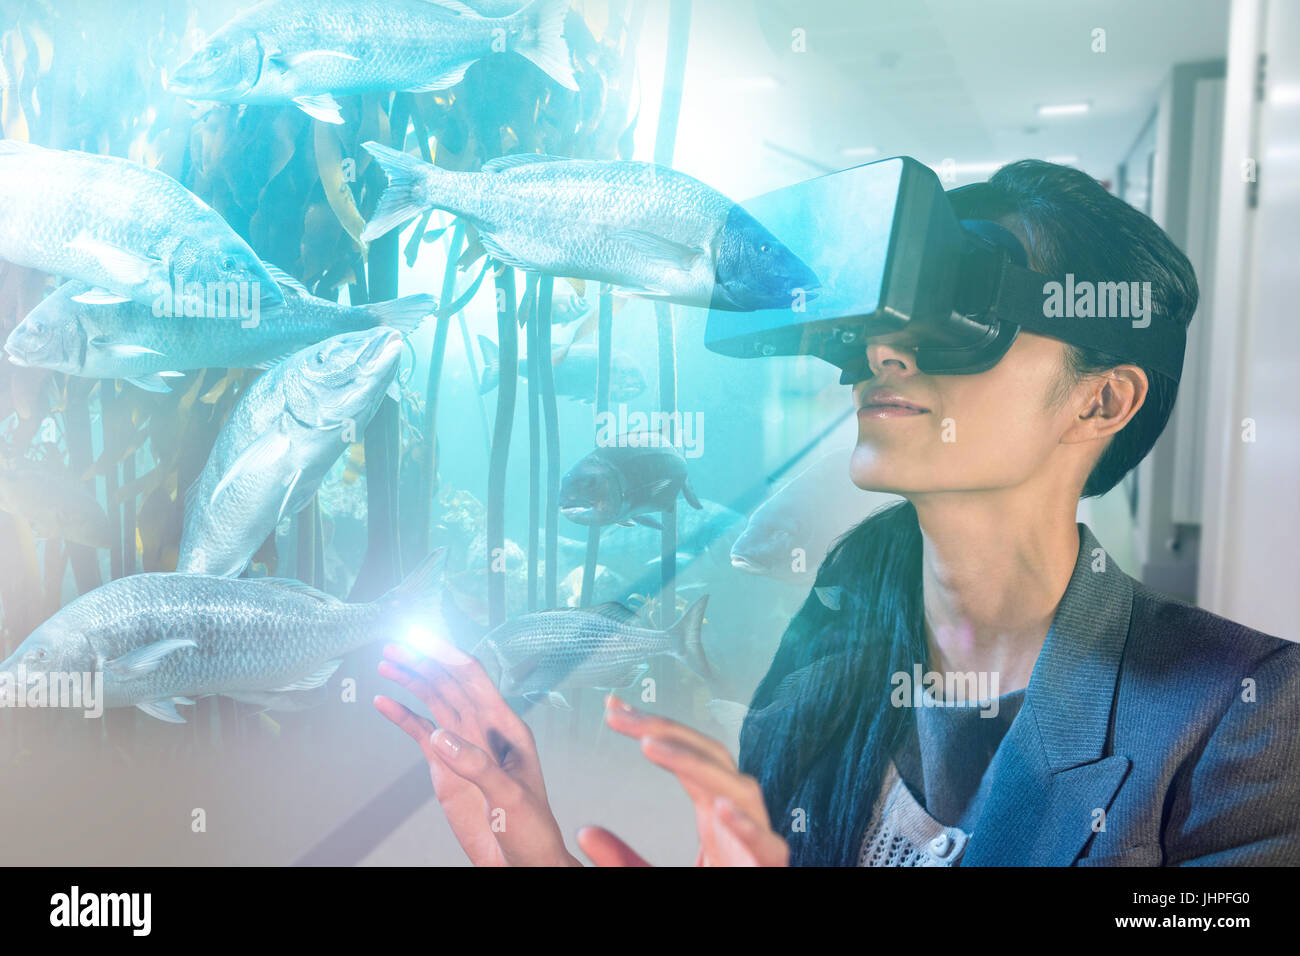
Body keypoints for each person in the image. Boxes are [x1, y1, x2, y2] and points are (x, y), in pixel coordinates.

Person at [374, 160, 1300, 866]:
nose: (888, 348)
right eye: (890, 306)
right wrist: (537, 849)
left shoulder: (1242, 713)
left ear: (1100, 403)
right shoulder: (837, 632)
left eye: (962, 306)